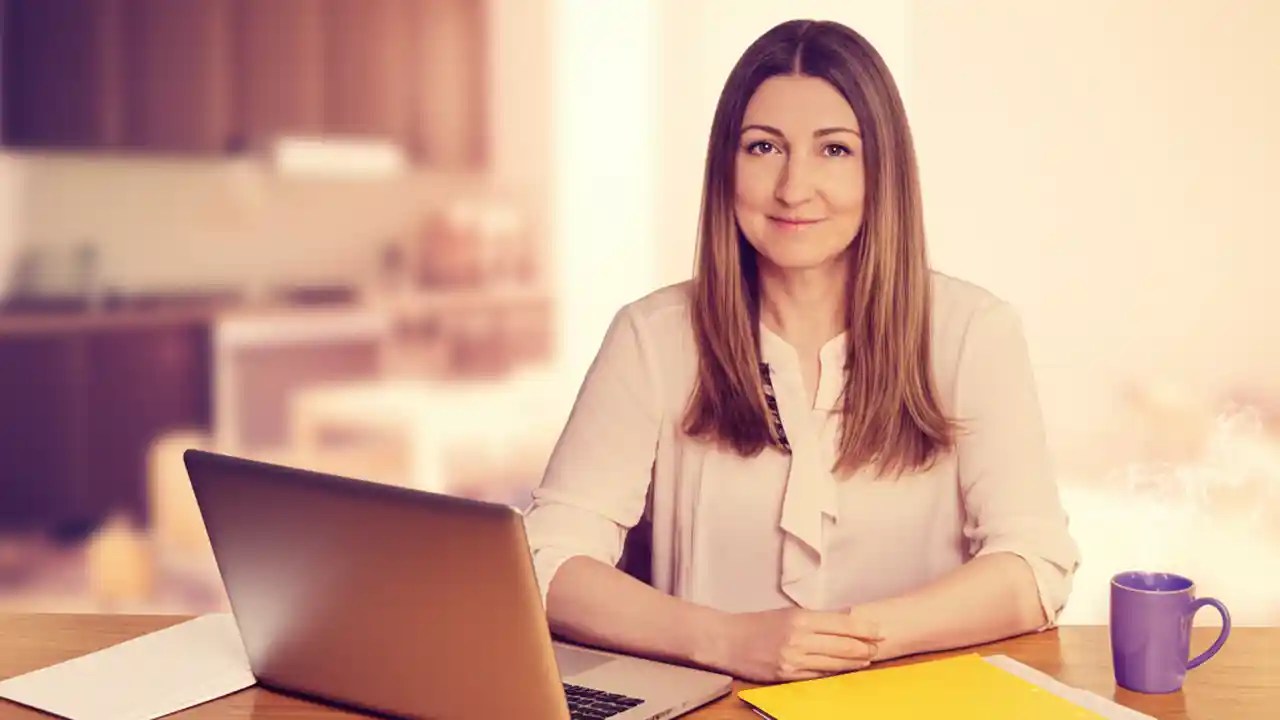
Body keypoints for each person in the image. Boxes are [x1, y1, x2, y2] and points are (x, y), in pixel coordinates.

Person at [522, 18, 1080, 684]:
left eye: (834, 150)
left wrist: (846, 640)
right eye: (763, 147)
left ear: (884, 171)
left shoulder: (973, 332)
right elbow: (546, 560)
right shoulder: (651, 336)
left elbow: (1034, 566)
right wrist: (726, 640)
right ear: (725, 165)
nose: (793, 187)